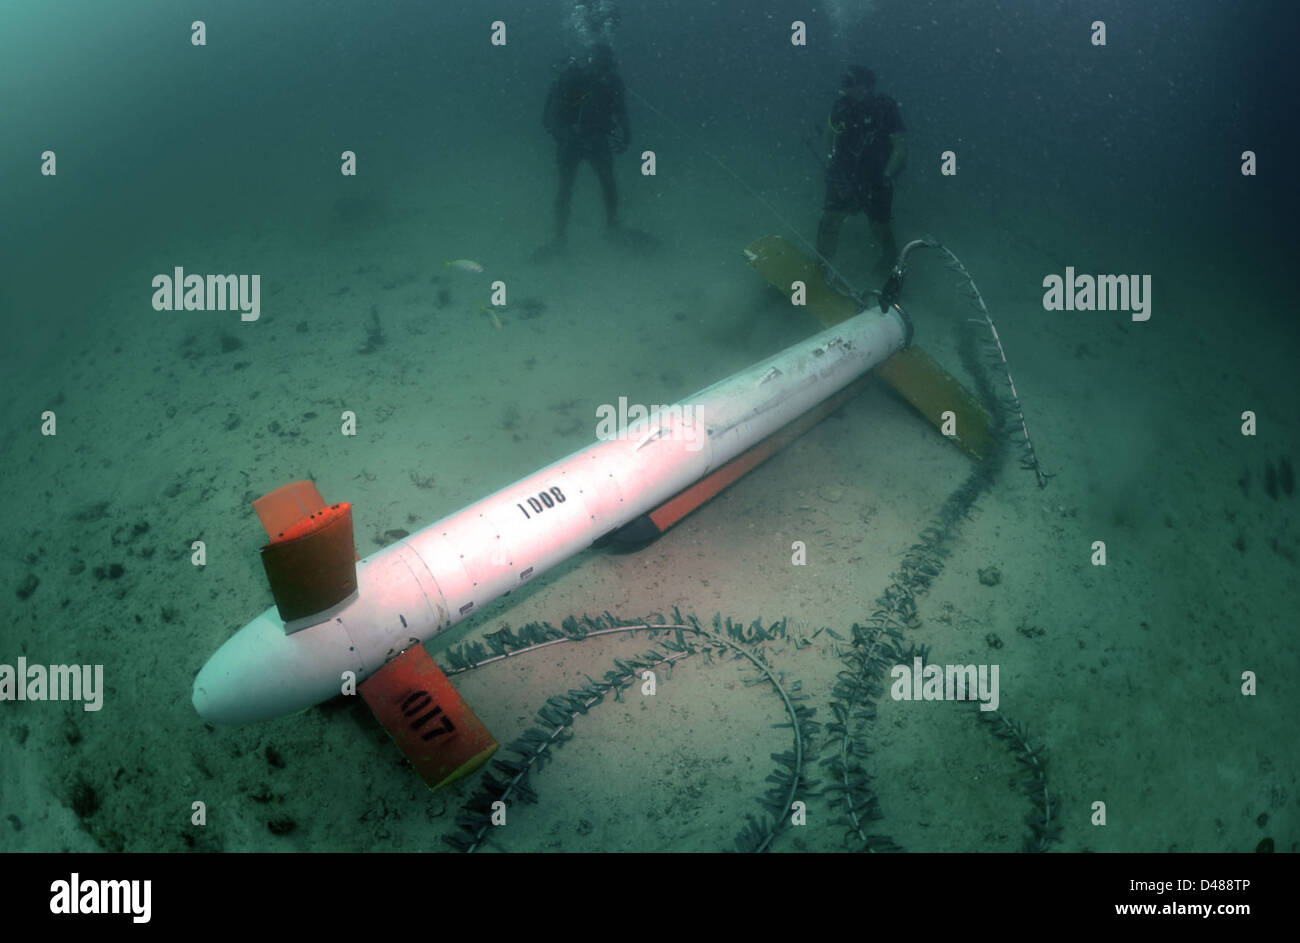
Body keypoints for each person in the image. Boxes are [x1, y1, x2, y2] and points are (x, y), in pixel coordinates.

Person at [532, 43, 632, 260]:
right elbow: (551, 116)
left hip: (588, 140)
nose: (604, 68)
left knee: (602, 183)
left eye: (606, 63)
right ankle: (561, 239)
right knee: (570, 187)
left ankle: (610, 227)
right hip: (576, 142)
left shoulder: (613, 82)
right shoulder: (571, 79)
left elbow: (621, 110)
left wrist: (626, 135)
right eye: (601, 62)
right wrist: (572, 137)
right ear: (592, 61)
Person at [815, 66, 907, 279]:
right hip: (844, 175)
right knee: (830, 219)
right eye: (844, 82)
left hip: (877, 177)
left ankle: (890, 259)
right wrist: (831, 165)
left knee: (879, 225)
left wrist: (886, 176)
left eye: (850, 82)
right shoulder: (840, 106)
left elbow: (900, 146)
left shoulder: (885, 108)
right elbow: (829, 136)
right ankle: (820, 265)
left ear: (866, 86)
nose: (845, 87)